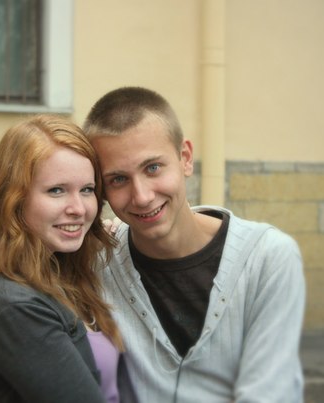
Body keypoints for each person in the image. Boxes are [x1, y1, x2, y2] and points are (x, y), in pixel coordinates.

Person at [83, 87, 306, 403]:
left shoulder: (268, 258)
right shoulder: (97, 260)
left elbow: (269, 394)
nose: (142, 197)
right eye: (118, 179)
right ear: (102, 190)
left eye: (153, 168)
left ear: (185, 158)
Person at [0, 115, 123, 403]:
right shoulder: (13, 306)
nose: (79, 209)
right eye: (56, 190)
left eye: (87, 189)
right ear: (13, 199)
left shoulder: (63, 270)